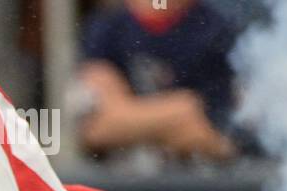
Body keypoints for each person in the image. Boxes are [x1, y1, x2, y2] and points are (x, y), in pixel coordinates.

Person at [76, 0, 240, 162]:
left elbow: (215, 139)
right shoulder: (107, 27)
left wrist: (130, 121)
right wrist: (177, 113)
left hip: (195, 179)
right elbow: (97, 130)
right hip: (117, 176)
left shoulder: (217, 28)